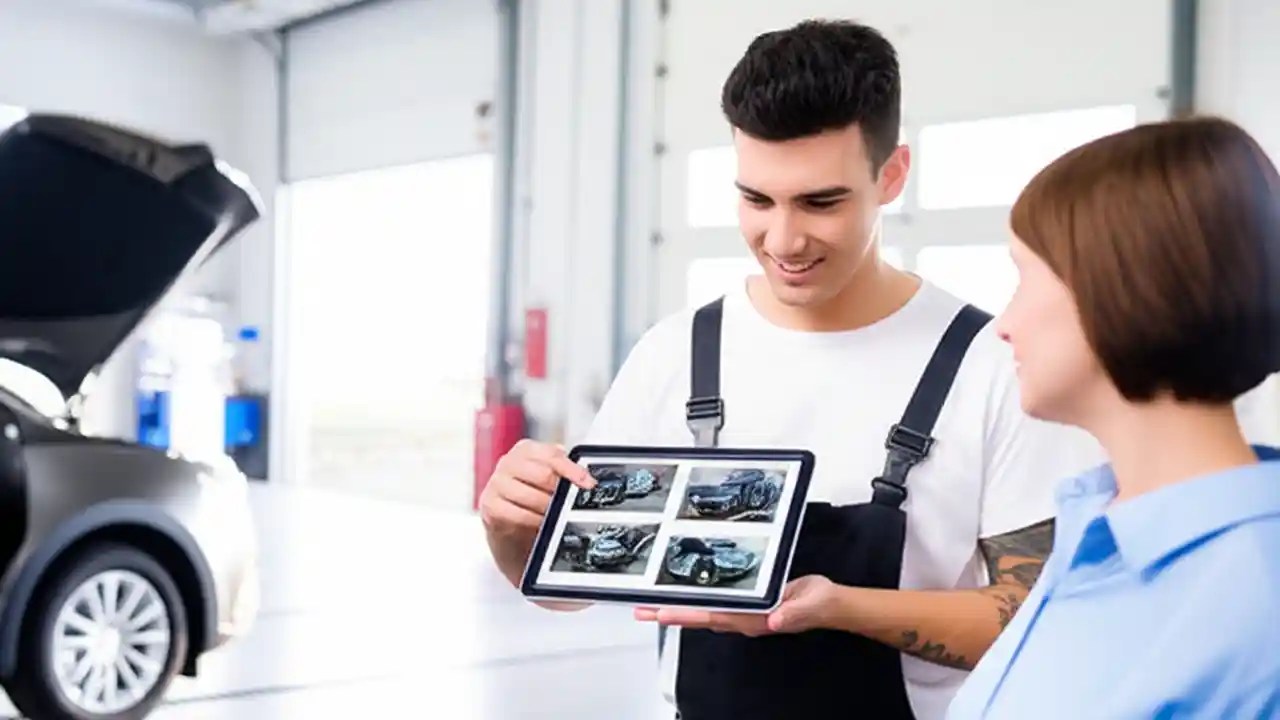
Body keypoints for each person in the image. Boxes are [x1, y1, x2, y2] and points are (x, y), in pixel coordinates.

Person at [479, 18, 1102, 720]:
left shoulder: (993, 364)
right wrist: (512, 528)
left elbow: (1042, 617)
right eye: (757, 199)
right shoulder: (674, 353)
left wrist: (837, 608)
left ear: (891, 175)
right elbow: (569, 590)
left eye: (820, 202)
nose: (783, 240)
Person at [945, 117, 1280, 719]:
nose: (1005, 325)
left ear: (1123, 285)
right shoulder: (1096, 528)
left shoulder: (1256, 600)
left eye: (1025, 277)